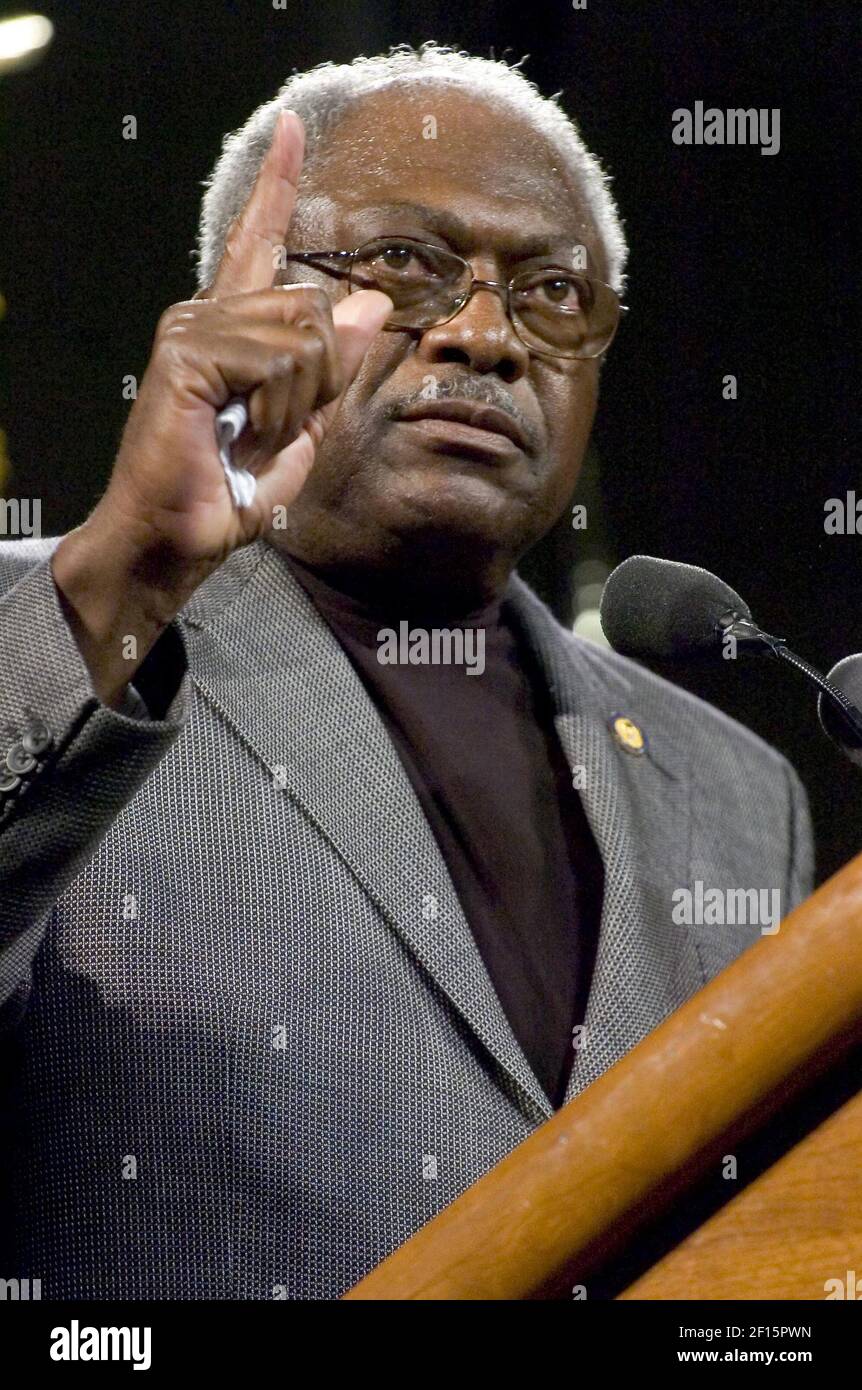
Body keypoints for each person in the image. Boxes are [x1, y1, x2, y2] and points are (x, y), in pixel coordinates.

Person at [0, 44, 812, 1300]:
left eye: (552, 292)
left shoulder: (741, 796)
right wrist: (129, 580)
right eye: (402, 265)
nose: (486, 336)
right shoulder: (55, 630)